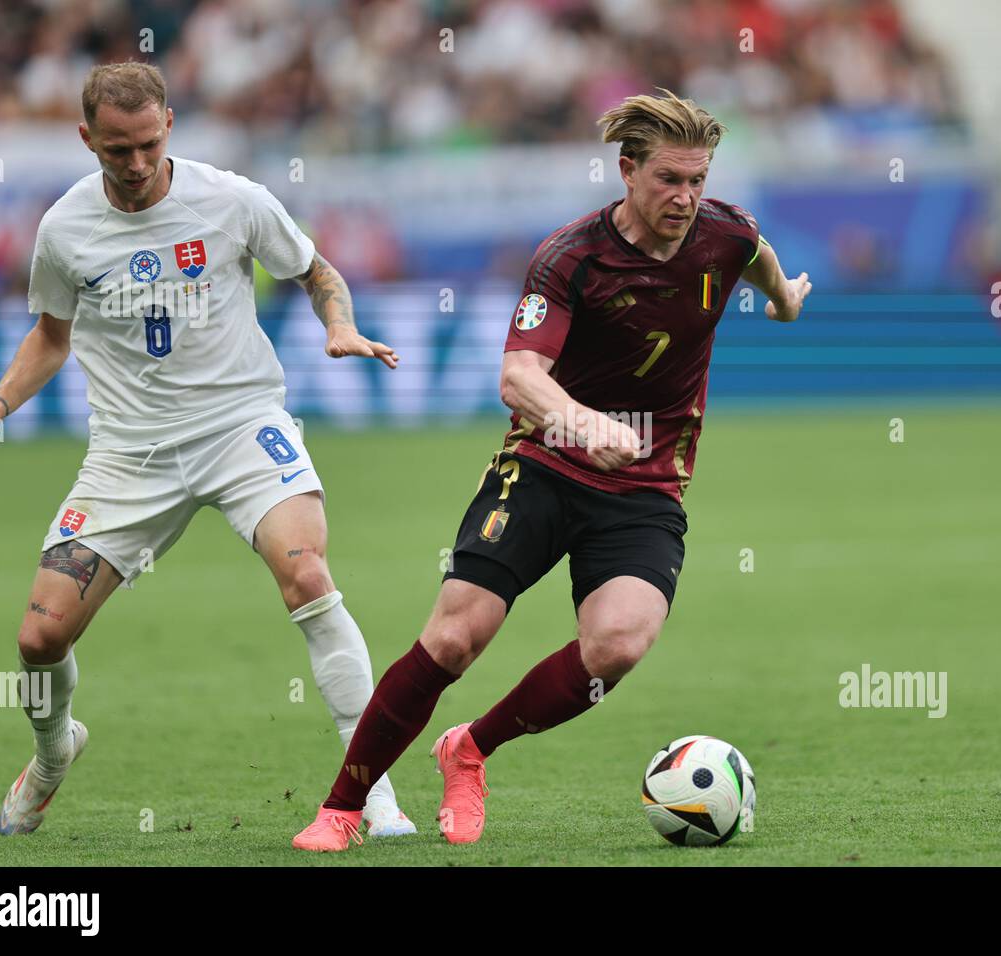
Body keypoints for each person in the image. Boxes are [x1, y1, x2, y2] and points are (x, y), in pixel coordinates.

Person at [292, 89, 811, 850]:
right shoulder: (571, 257)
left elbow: (758, 260)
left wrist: (785, 301)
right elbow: (518, 377)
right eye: (669, 179)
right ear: (627, 170)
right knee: (455, 638)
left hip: (645, 483)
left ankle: (469, 749)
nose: (686, 196)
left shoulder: (725, 233)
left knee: (620, 645)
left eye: (698, 179)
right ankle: (341, 808)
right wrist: (580, 422)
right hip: (543, 464)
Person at [0, 62, 414, 837]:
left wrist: (337, 322)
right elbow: (51, 336)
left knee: (307, 574)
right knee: (39, 637)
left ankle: (372, 789)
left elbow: (315, 269)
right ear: (86, 139)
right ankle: (53, 749)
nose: (134, 167)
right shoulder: (64, 230)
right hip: (129, 452)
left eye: (146, 145)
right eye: (115, 151)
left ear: (169, 123)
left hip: (240, 426)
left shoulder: (233, 200)